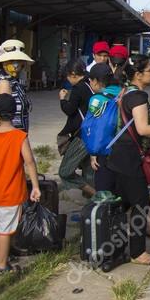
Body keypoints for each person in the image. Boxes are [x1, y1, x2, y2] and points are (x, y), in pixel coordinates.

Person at [108, 57, 150, 266]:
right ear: (138, 75)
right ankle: (138, 252)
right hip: (129, 158)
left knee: (124, 202)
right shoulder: (139, 96)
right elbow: (142, 129)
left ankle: (109, 241)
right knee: (141, 204)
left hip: (118, 156)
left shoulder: (126, 91)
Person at [0, 94, 41, 275]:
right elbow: (29, 162)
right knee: (5, 231)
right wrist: (35, 186)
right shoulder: (19, 137)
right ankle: (2, 265)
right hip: (11, 193)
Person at [57, 59, 95, 197]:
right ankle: (94, 206)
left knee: (65, 172)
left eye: (68, 77)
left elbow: (69, 110)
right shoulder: (90, 84)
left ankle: (97, 196)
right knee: (89, 171)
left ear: (73, 74)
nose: (68, 80)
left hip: (82, 136)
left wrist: (62, 99)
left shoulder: (79, 88)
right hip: (93, 134)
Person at [85, 63, 122, 193]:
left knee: (105, 192)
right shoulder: (123, 93)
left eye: (90, 80)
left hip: (106, 153)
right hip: (125, 150)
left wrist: (93, 152)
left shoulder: (97, 100)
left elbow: (95, 129)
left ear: (96, 81)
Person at [0, 39, 33, 132]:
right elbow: (1, 116)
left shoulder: (16, 82)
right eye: (12, 61)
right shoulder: (5, 83)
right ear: (3, 63)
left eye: (19, 60)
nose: (16, 65)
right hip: (10, 137)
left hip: (18, 136)